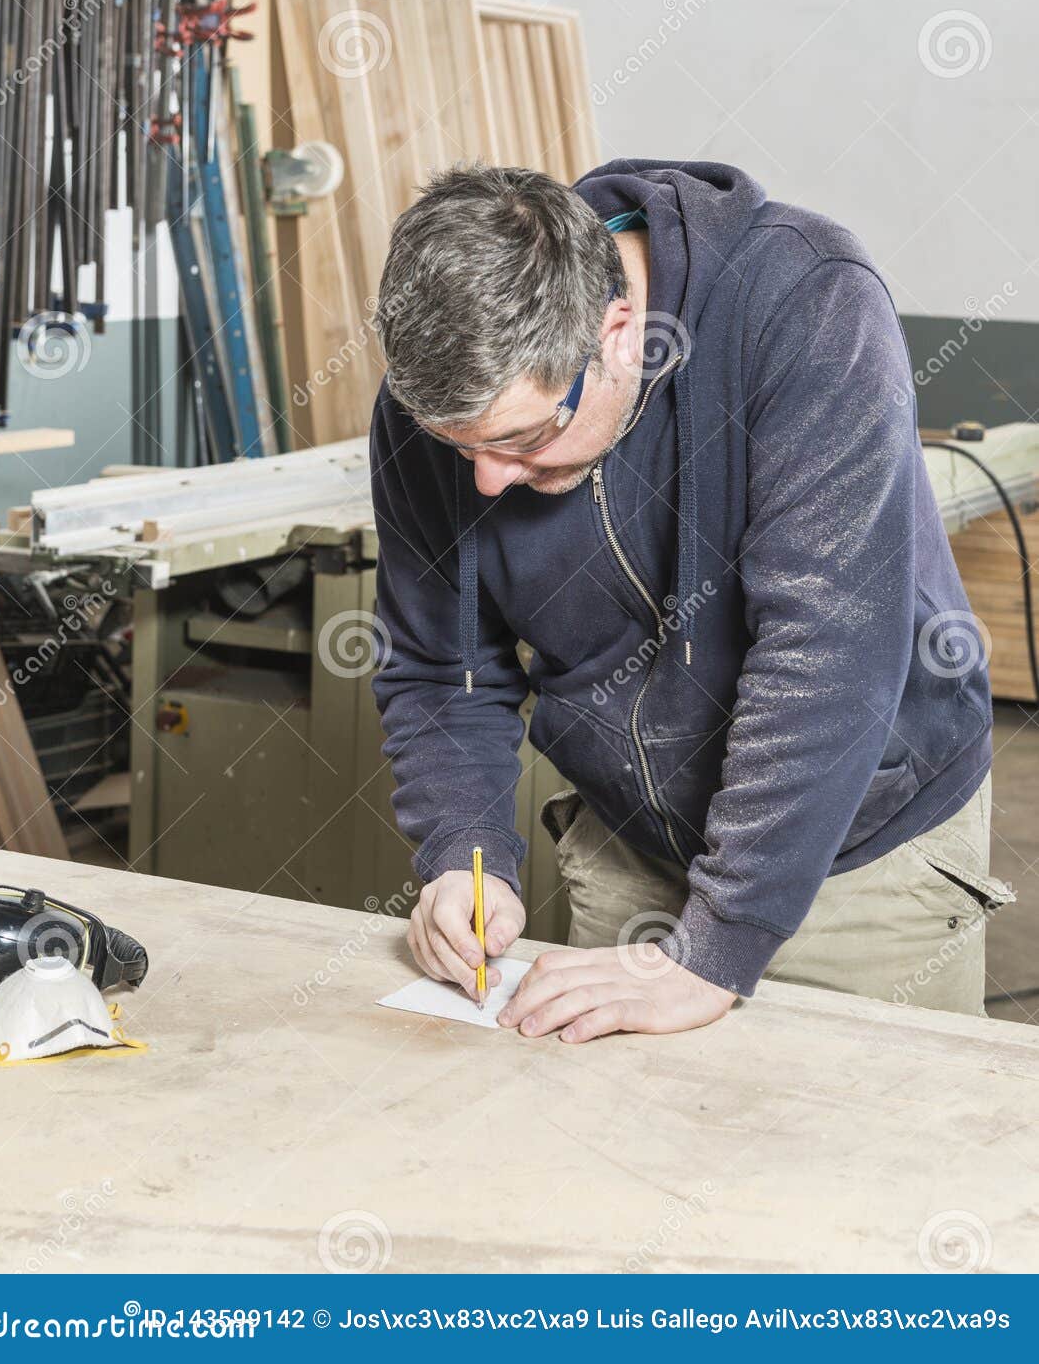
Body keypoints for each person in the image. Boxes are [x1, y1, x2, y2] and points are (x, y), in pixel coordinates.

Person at [369, 160, 1007, 1042]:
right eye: (460, 447)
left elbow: (828, 655)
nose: (487, 479)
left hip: (861, 854)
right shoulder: (447, 398)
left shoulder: (805, 303)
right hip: (635, 846)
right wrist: (463, 854)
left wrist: (717, 946)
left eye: (521, 439)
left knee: (865, 1157)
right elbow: (443, 667)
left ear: (620, 331)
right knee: (620, 1157)